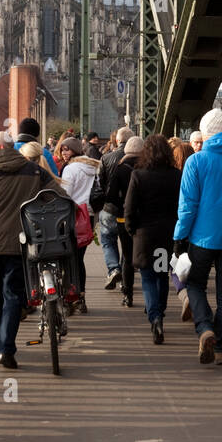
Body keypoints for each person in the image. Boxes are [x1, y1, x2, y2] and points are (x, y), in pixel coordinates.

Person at [0, 130, 65, 368]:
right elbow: (59, 197)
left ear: (0, 148)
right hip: (22, 243)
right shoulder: (35, 172)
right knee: (13, 296)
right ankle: (7, 348)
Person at [173, 109, 222, 366]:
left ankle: (204, 327)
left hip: (201, 238)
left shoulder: (195, 162)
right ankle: (220, 346)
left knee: (194, 284)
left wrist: (179, 237)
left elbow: (188, 206)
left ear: (205, 132)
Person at [124, 135, 181, 344]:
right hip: (168, 233)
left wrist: (131, 229)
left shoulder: (138, 175)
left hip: (144, 234)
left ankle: (154, 316)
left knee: (147, 277)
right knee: (161, 275)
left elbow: (129, 207)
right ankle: (160, 311)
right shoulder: (176, 175)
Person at [57, 136, 101, 312]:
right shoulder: (92, 166)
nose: (63, 153)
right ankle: (80, 296)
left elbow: (65, 194)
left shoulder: (70, 169)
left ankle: (72, 297)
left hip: (73, 216)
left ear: (74, 150)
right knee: (79, 258)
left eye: (66, 149)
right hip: (88, 216)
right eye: (62, 149)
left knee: (70, 258)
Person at [105, 136, 143, 307]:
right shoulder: (147, 168)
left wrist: (122, 204)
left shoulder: (120, 169)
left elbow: (110, 195)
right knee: (149, 256)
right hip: (145, 220)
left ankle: (127, 294)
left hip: (123, 218)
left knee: (127, 258)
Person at [95, 127, 133, 290]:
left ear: (117, 140)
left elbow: (100, 183)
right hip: (131, 209)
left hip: (110, 208)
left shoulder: (106, 158)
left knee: (108, 240)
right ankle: (125, 273)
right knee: (128, 243)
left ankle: (113, 268)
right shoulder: (141, 159)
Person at [167, 137, 194, 321]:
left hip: (174, 229)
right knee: (193, 266)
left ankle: (184, 295)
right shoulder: (195, 175)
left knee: (172, 266)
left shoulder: (172, 177)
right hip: (197, 231)